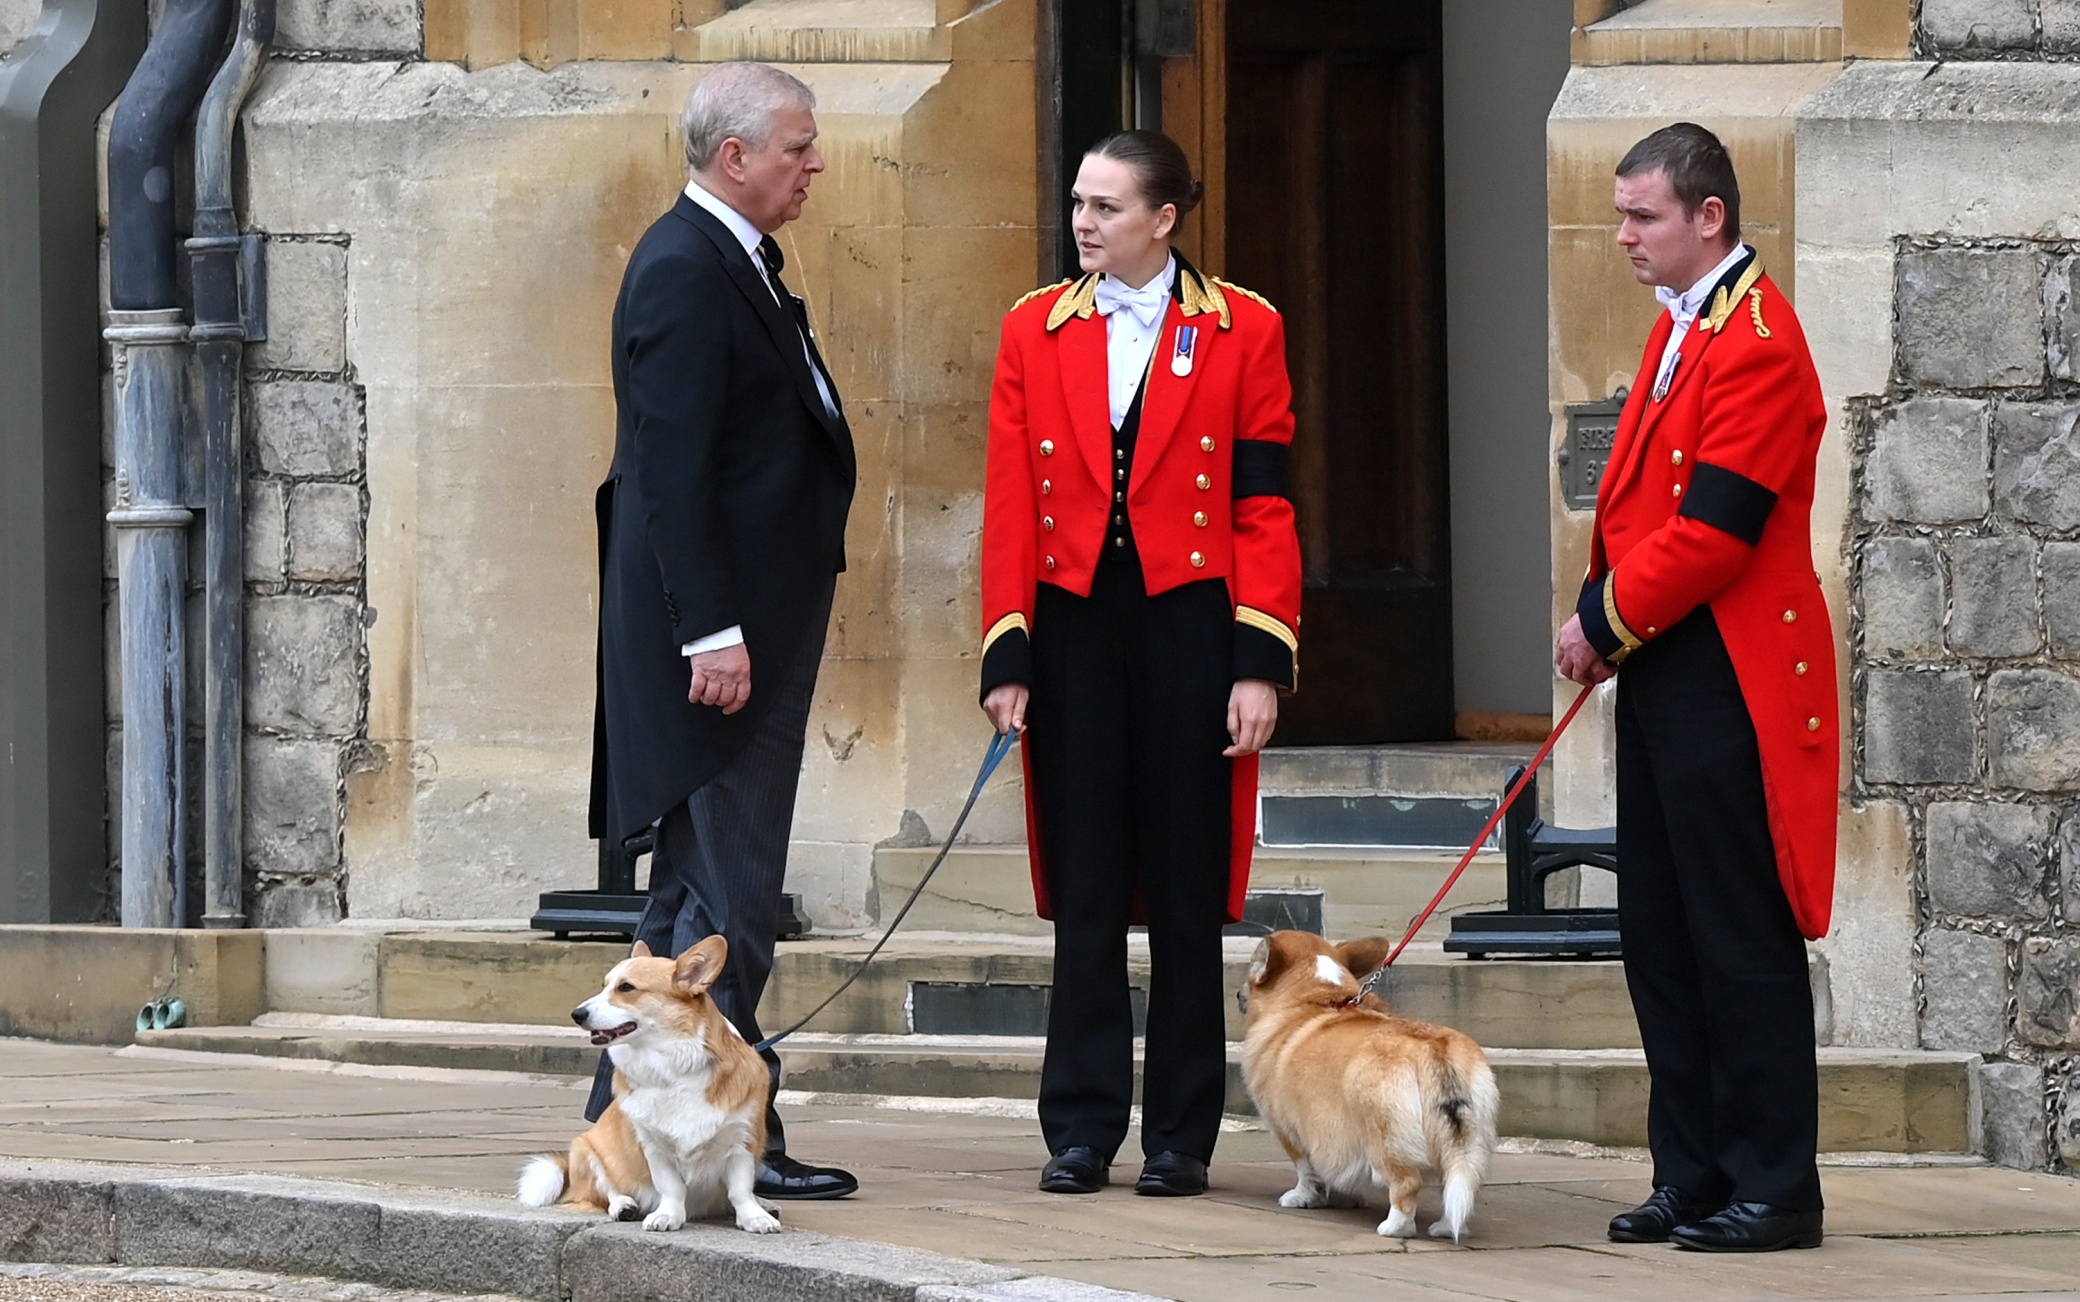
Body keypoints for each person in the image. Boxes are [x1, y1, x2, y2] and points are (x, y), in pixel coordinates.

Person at [978, 130, 1303, 1198]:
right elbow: (1010, 508)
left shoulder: (1243, 324)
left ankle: (1179, 1139)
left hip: (1192, 629)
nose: (1083, 221)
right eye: (1078, 202)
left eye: (1106, 206)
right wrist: (1008, 654)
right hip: (1072, 628)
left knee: (1182, 882)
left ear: (1163, 220)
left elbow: (1262, 503)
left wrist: (1259, 662)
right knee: (1083, 885)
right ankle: (1076, 1129)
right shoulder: (1033, 327)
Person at [1555, 122, 1836, 1252]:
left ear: (1707, 217)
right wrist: (1617, 626)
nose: (1621, 235)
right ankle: (1693, 1171)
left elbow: (1716, 530)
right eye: (1622, 215)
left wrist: (1598, 622)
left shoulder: (1757, 338)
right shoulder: (1686, 329)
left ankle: (1775, 1185)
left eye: (1642, 216)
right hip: (1673, 658)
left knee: (1734, 934)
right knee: (1660, 934)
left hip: (1730, 666)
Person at [587, 61, 858, 1201]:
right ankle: (735, 1133)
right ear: (734, 155)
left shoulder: (734, 258)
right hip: (720, 648)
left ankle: (625, 1137)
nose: (815, 164)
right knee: (726, 896)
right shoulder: (685, 268)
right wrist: (711, 633)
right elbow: (670, 476)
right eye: (797, 146)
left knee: (696, 900)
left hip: (750, 632)